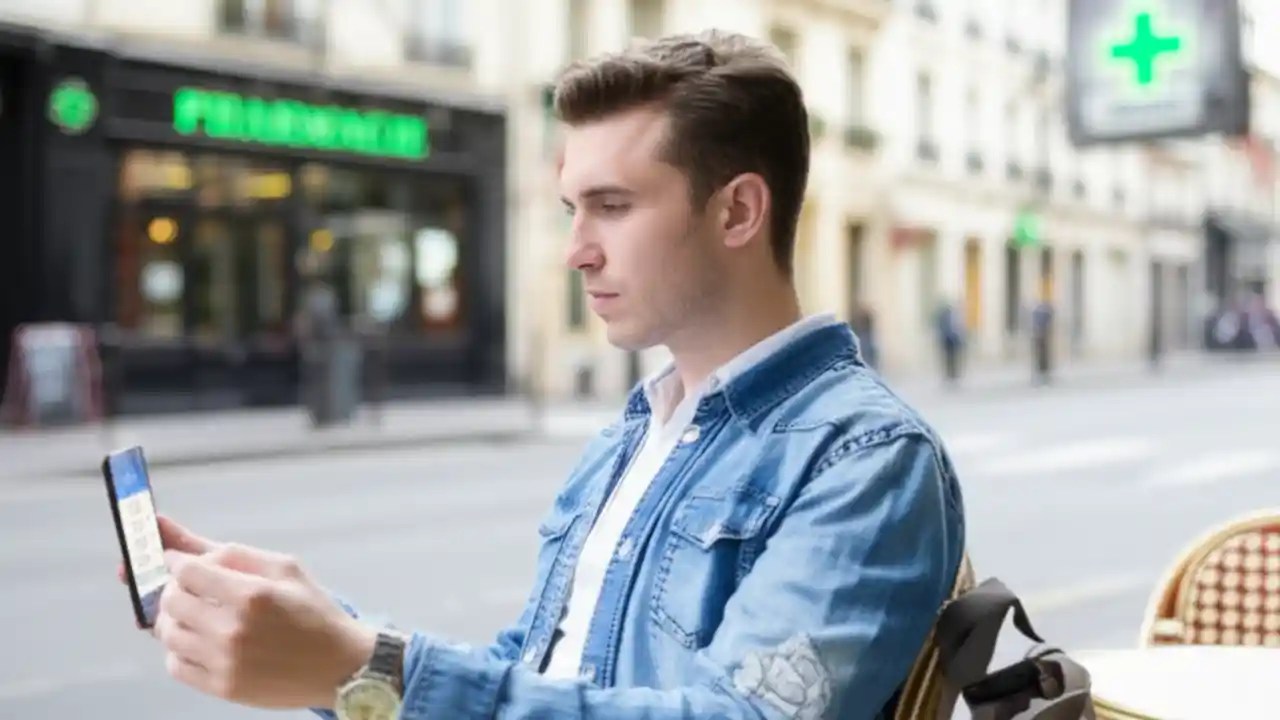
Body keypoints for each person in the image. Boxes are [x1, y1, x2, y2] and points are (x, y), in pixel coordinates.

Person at [129, 30, 965, 720]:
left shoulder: (865, 457)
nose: (577, 250)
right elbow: (535, 669)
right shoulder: (638, 432)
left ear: (738, 210)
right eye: (574, 210)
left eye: (613, 205)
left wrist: (365, 668)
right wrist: (319, 635)